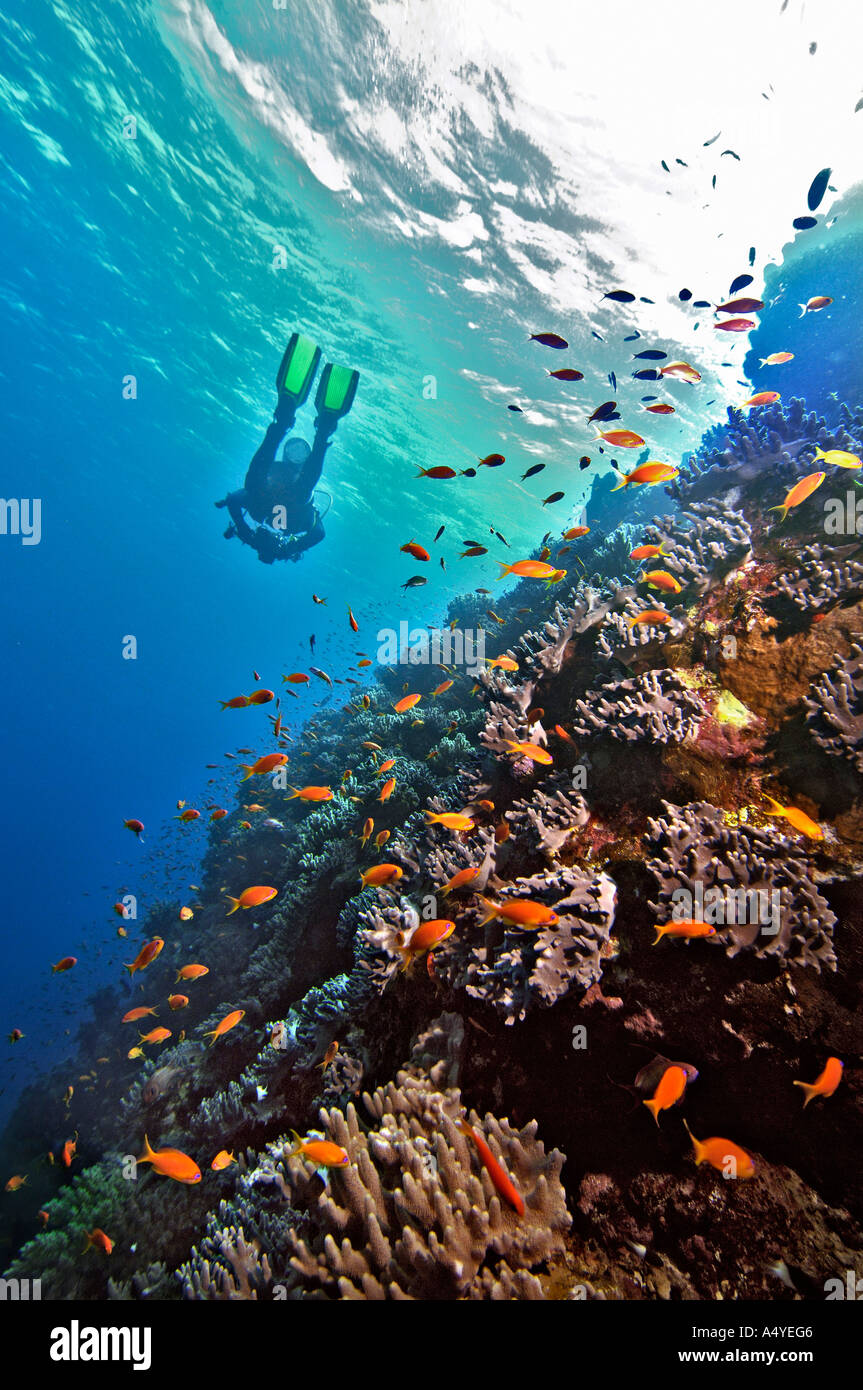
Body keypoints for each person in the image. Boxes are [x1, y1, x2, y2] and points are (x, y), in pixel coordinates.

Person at [216, 333, 358, 564]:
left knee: (255, 484)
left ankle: (296, 425)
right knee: (293, 491)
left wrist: (245, 531)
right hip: (286, 493)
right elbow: (319, 533)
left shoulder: (256, 511)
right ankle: (308, 430)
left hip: (272, 486)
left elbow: (234, 498)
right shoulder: (287, 522)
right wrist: (289, 546)